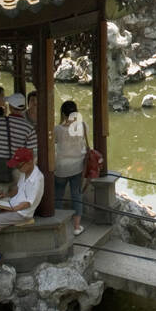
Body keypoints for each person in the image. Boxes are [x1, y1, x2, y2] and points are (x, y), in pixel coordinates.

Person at [54, 100, 89, 236]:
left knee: (58, 196)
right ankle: (76, 226)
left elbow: (53, 143)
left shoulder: (57, 129)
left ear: (63, 114)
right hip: (78, 167)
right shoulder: (83, 126)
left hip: (61, 167)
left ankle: (58, 226)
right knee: (77, 196)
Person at [0, 91, 36, 165]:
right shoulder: (29, 127)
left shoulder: (0, 122)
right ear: (24, 106)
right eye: (33, 100)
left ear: (10, 107)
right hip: (19, 165)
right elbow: (30, 152)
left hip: (0, 165)